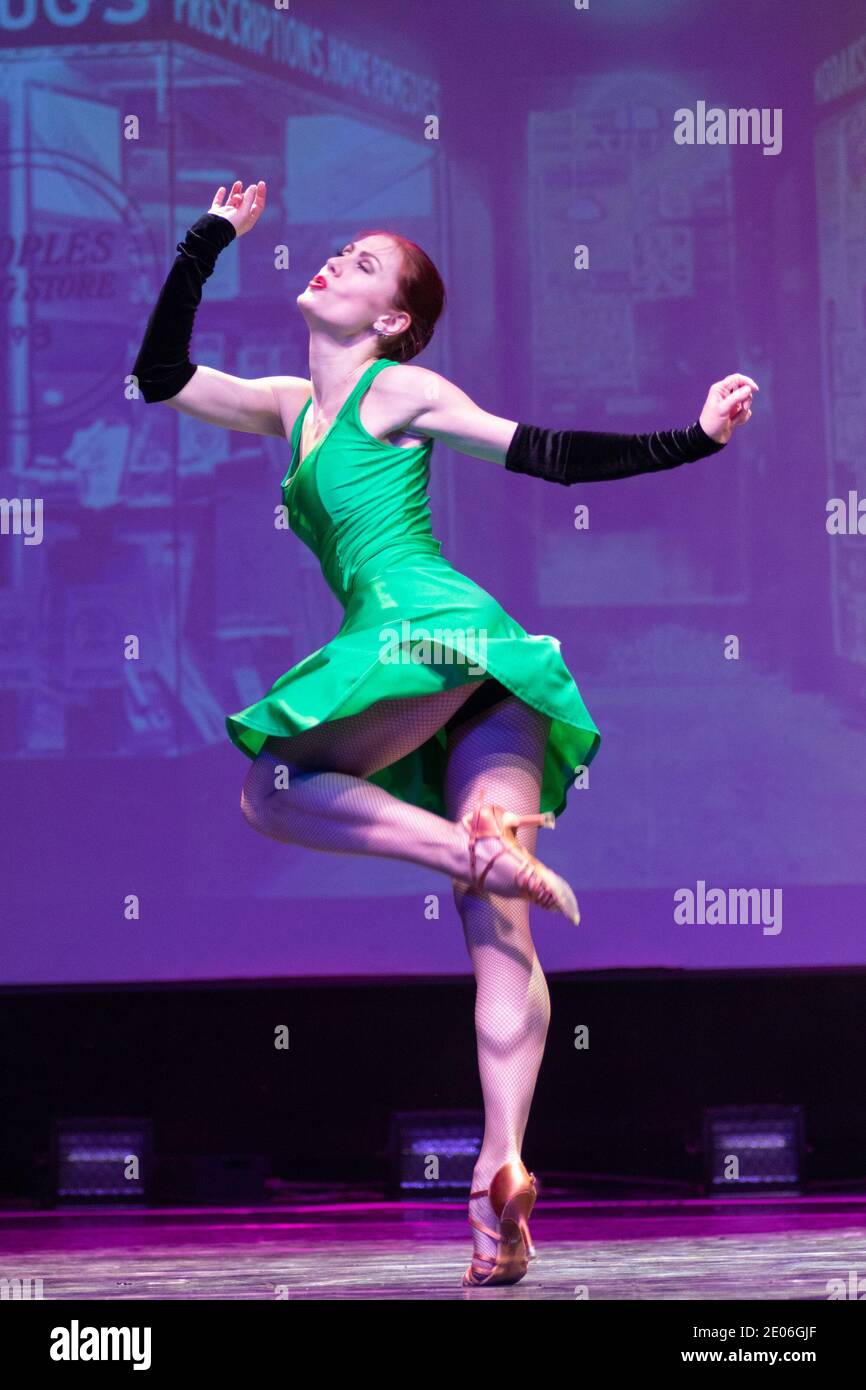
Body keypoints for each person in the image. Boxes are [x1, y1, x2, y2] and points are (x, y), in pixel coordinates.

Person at [131, 178, 756, 1288]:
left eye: (365, 265)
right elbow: (161, 374)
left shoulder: (398, 389)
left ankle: (468, 849)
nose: (333, 262)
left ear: (391, 321)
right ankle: (499, 1180)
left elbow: (543, 451)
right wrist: (209, 238)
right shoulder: (289, 403)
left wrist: (691, 440)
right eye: (340, 251)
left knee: (270, 790)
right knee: (498, 924)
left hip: (425, 636)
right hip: (480, 661)